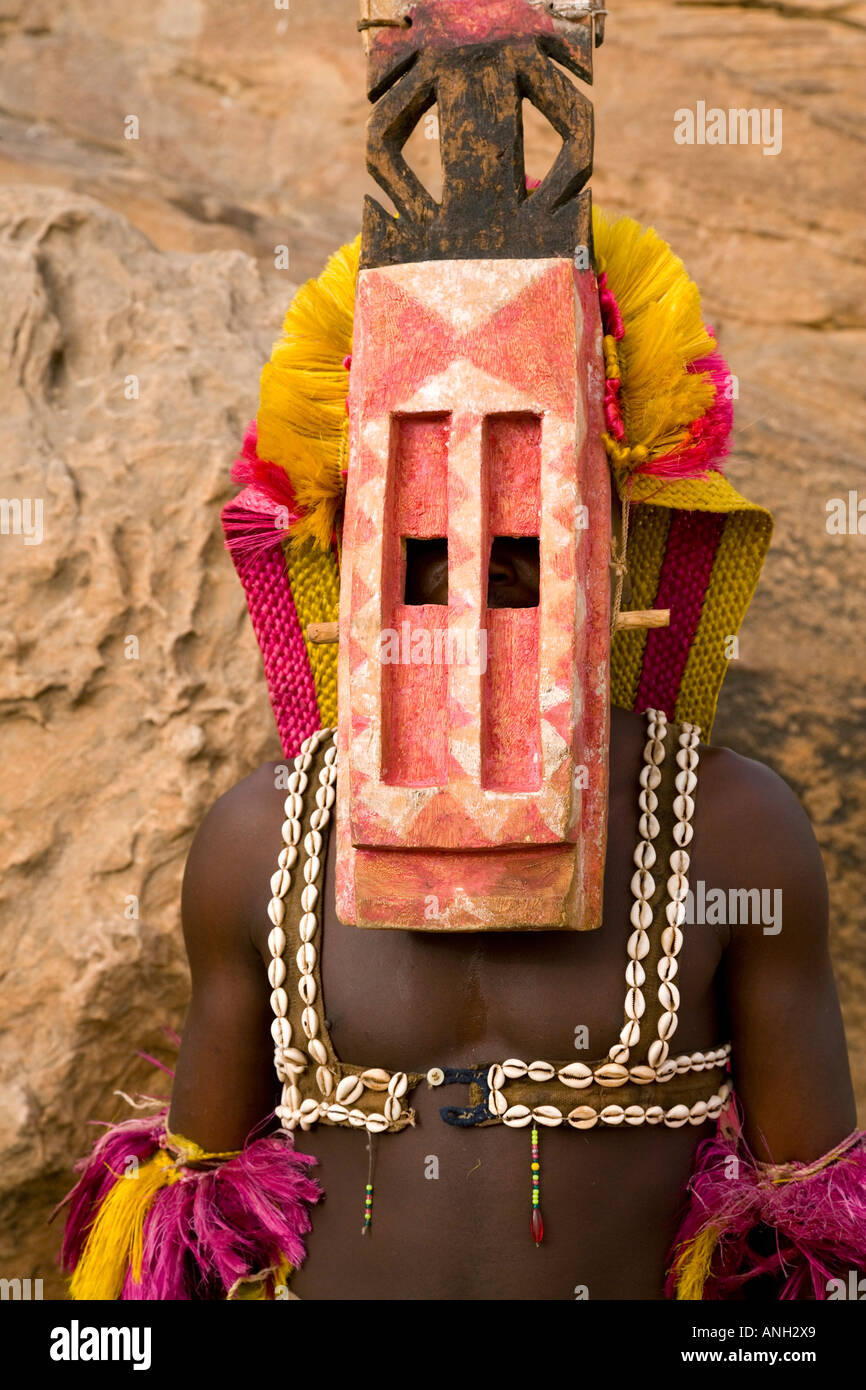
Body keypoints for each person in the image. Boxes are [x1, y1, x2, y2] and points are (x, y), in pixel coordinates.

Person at [60, 0, 866, 1302]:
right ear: (351, 559)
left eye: (526, 556)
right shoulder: (261, 842)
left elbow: (811, 1235)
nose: (478, 620)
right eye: (424, 560)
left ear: (618, 555)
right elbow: (183, 1244)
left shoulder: (732, 833)